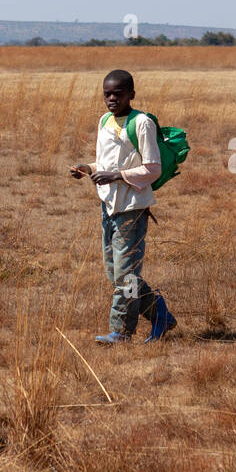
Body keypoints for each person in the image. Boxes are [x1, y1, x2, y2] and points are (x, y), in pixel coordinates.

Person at [70, 69, 177, 344]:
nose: (112, 98)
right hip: (107, 206)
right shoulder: (104, 120)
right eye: (107, 94)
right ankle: (159, 313)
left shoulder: (141, 123)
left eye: (118, 93)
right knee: (115, 273)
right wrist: (87, 168)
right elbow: (103, 164)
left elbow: (153, 168)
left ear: (132, 94)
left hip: (132, 208)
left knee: (126, 276)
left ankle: (121, 331)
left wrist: (116, 175)